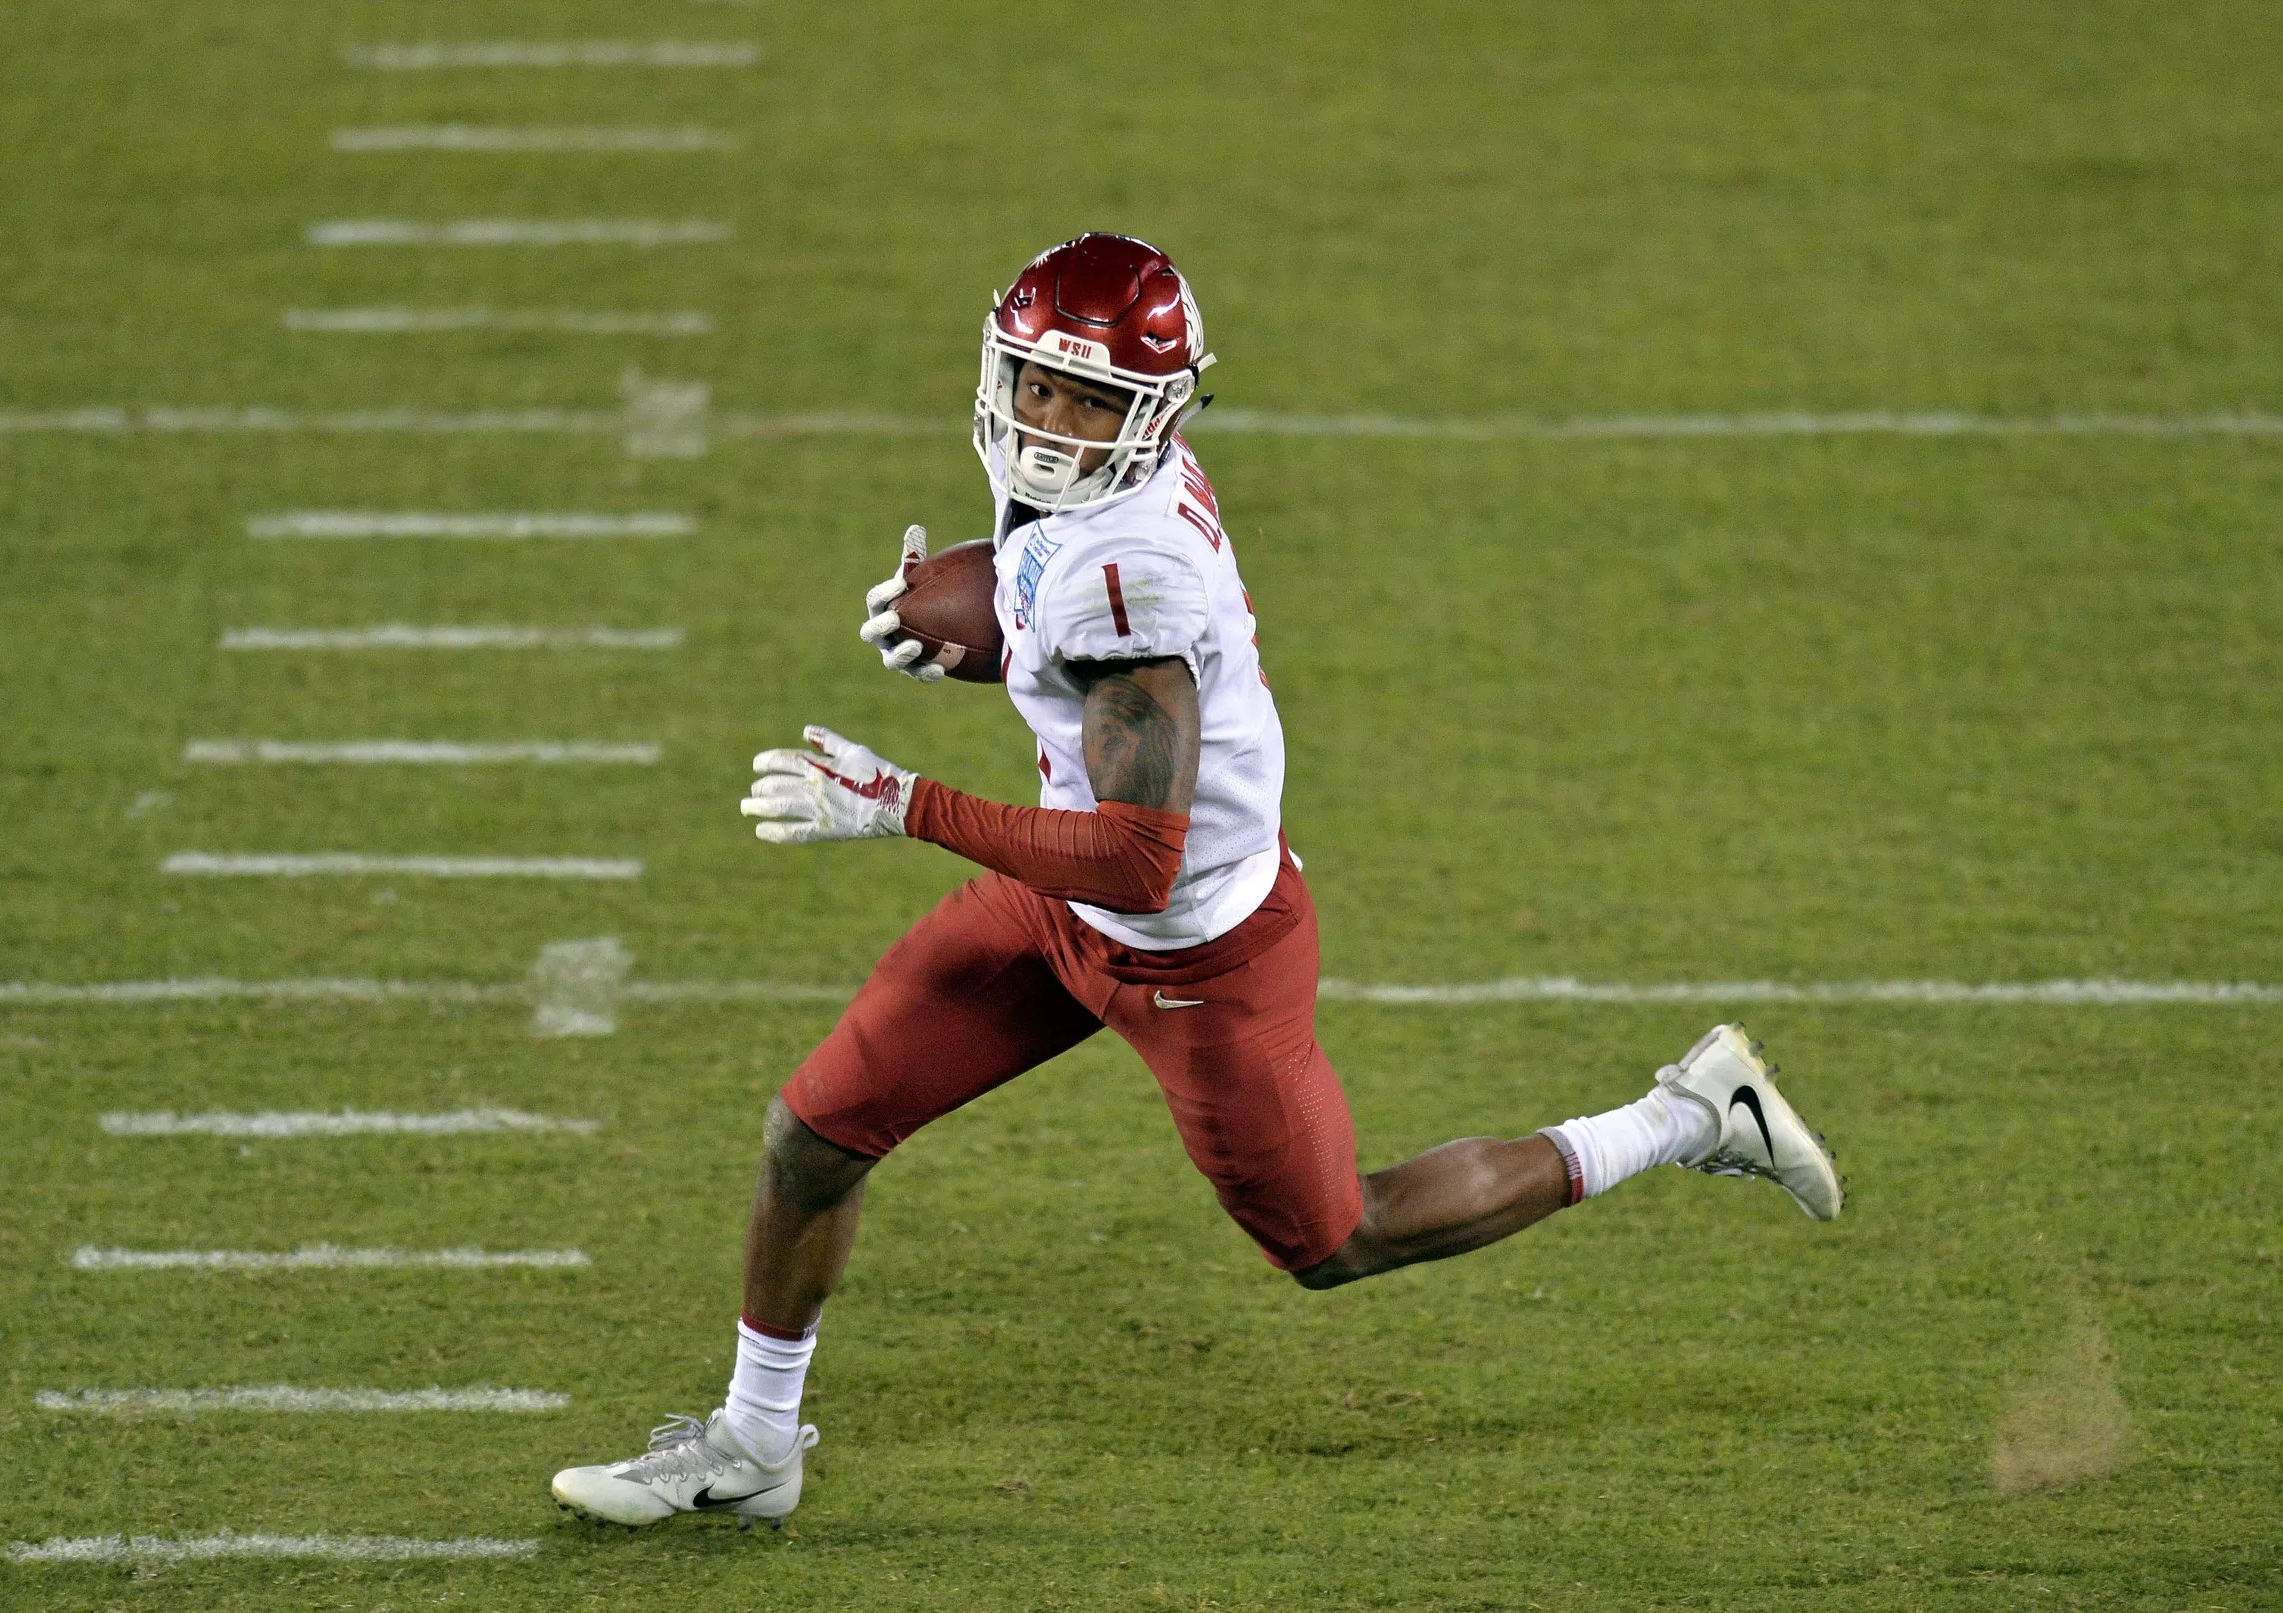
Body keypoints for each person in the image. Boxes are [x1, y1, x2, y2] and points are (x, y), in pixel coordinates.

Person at [549, 233, 1842, 1531]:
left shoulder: (1132, 577)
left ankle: (1688, 1114)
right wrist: (987, 634)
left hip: (1195, 953)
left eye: (1090, 401)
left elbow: (1135, 856)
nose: (1050, 426)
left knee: (1340, 1238)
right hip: (1057, 899)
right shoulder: (1096, 505)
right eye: (1036, 386)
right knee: (818, 1133)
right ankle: (753, 1443)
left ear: (1153, 411)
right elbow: (1066, 641)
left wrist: (905, 805)